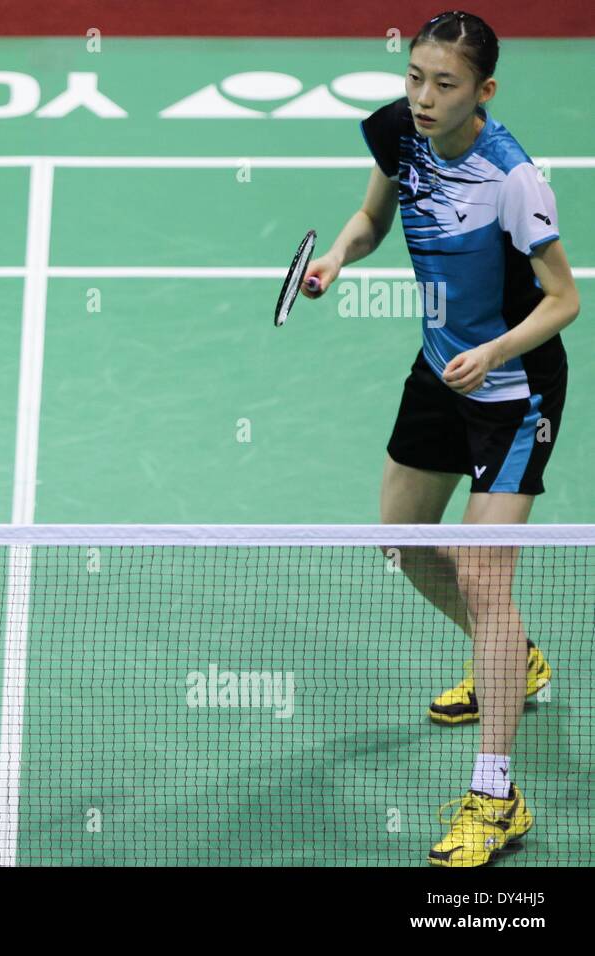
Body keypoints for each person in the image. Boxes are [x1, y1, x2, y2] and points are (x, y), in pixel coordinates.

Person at [302, 11, 579, 866]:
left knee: (483, 576)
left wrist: (494, 351)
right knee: (404, 543)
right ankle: (515, 660)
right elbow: (372, 217)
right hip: (438, 372)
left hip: (511, 388)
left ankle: (495, 796)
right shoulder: (398, 133)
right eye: (416, 76)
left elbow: (564, 299)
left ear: (484, 91)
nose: (423, 97)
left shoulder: (514, 179)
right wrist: (339, 258)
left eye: (444, 84)